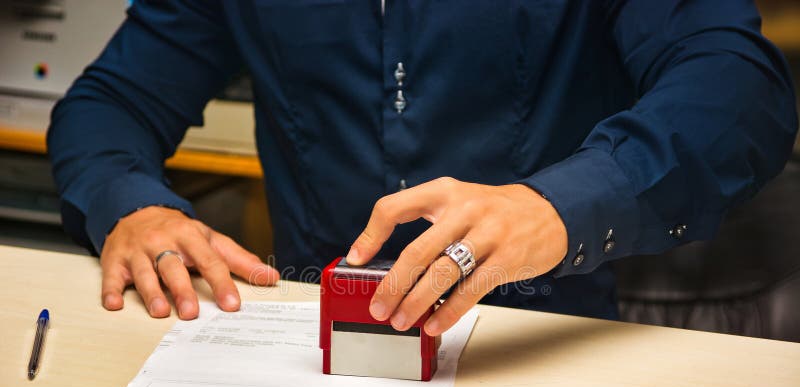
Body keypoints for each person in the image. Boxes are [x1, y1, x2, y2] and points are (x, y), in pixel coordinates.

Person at [48, 1, 797, 336]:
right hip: (308, 359)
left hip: (534, 352)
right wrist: (131, 204)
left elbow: (737, 88)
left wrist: (560, 204)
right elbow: (108, 103)